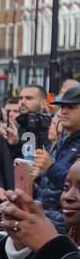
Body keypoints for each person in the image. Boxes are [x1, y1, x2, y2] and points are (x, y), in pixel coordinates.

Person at [32, 86, 80, 228]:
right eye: (62, 106)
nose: (64, 111)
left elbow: (74, 187)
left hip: (65, 226)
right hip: (46, 220)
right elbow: (52, 187)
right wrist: (38, 176)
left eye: (72, 107)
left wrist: (50, 168)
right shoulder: (62, 139)